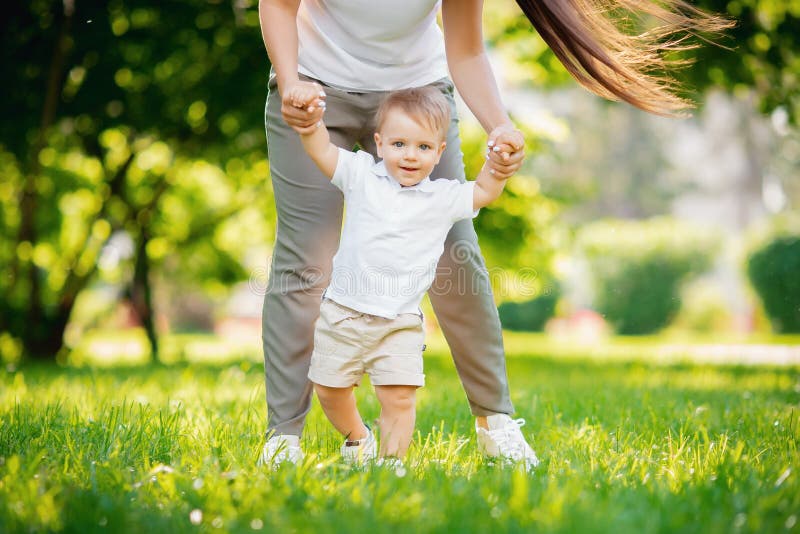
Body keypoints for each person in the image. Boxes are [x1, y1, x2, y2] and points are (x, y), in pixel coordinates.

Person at [256, 0, 730, 468]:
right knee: (307, 260)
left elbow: (466, 50)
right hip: (312, 90)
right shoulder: (304, 87)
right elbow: (277, 5)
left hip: (417, 98)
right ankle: (284, 437)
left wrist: (499, 125)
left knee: (455, 256)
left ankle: (495, 423)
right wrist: (293, 82)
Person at [288, 85, 521, 466]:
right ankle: (357, 437)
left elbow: (484, 191)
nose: (410, 156)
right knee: (329, 388)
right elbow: (322, 150)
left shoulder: (442, 197)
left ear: (439, 152)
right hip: (343, 312)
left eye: (423, 147)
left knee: (399, 396)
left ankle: (390, 462)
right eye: (399, 144)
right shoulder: (360, 174)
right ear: (379, 144)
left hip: (400, 320)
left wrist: (497, 166)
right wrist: (312, 124)